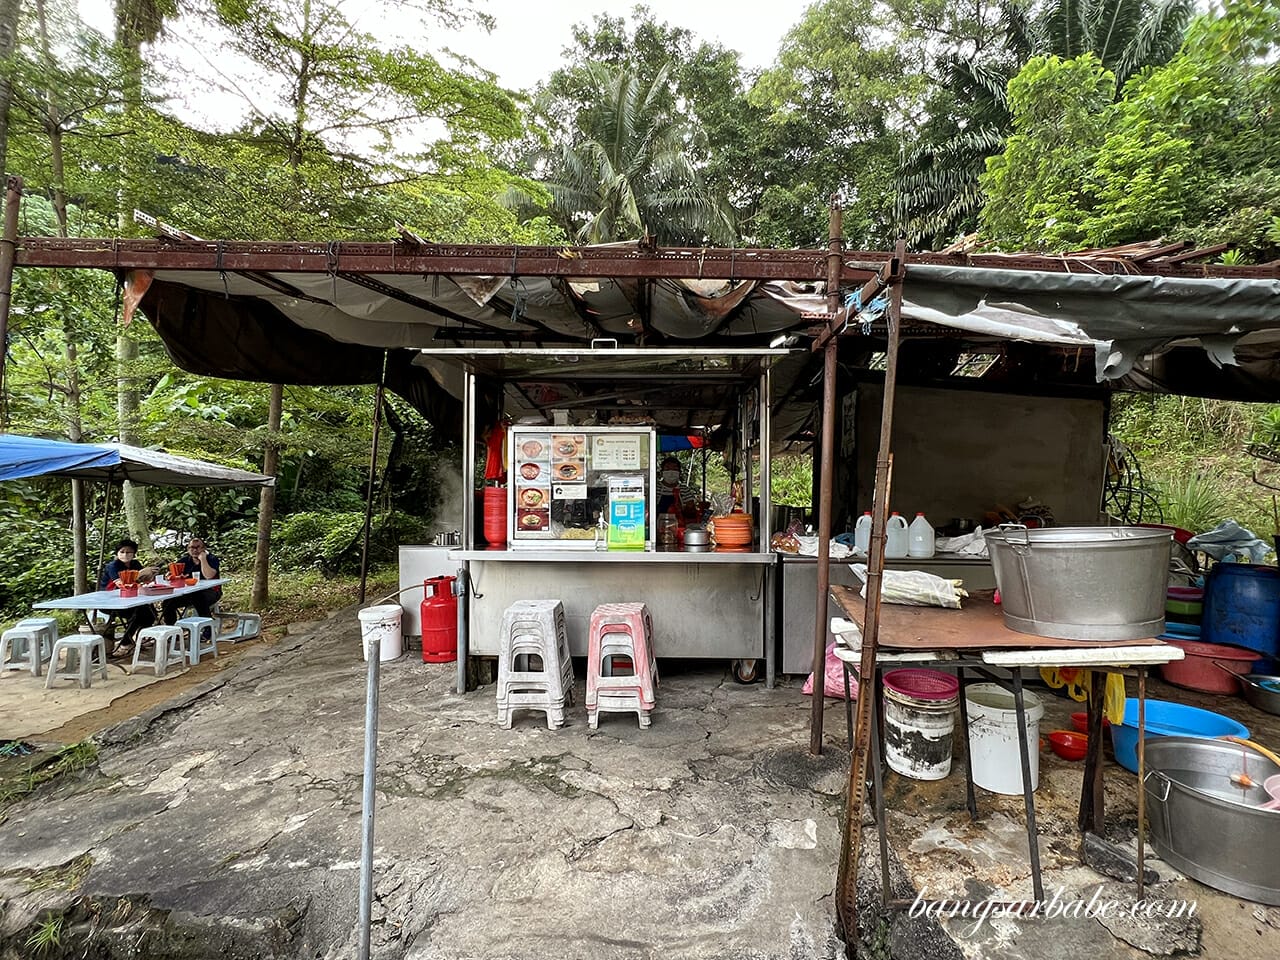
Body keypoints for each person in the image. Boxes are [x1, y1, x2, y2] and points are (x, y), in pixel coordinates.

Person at [99, 538, 157, 657]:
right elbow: (122, 584)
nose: (125, 554)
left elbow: (142, 581)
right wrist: (140, 574)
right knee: (138, 613)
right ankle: (125, 643)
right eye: (122, 551)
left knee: (151, 613)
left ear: (134, 553)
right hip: (110, 601)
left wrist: (150, 574)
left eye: (129, 552)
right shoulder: (113, 566)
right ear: (117, 553)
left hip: (132, 599)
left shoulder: (135, 564)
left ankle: (139, 639)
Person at [161, 537, 222, 624]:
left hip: (211, 591)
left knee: (198, 597)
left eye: (198, 547)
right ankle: (172, 629)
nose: (195, 550)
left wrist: (203, 559)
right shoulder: (185, 560)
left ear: (203, 548)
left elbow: (209, 576)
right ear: (188, 549)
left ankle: (207, 627)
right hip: (189, 592)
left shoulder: (211, 559)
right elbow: (173, 573)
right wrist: (171, 575)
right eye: (192, 548)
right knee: (168, 602)